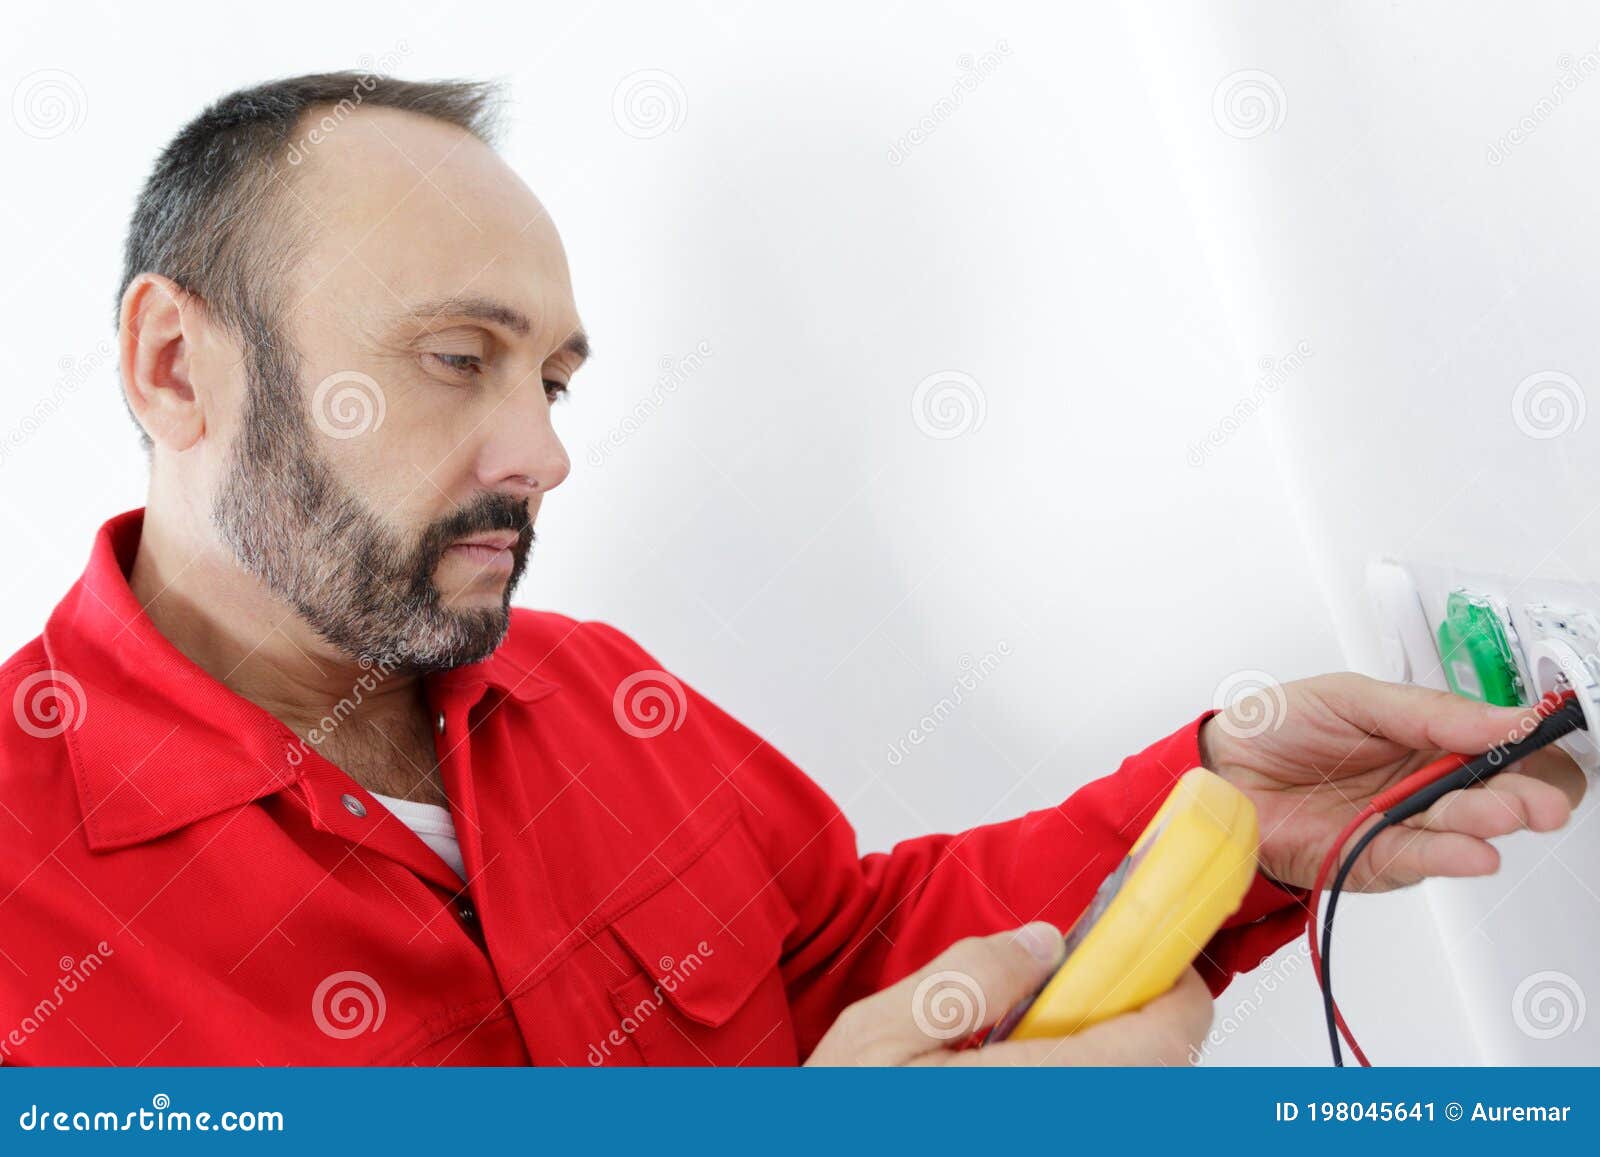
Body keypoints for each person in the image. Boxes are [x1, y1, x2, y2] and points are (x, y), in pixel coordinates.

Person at [0, 73, 1582, 1066]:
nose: (541, 454)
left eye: (549, 378)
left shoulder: (595, 692)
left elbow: (840, 959)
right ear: (173, 366)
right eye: (454, 358)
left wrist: (1224, 820)